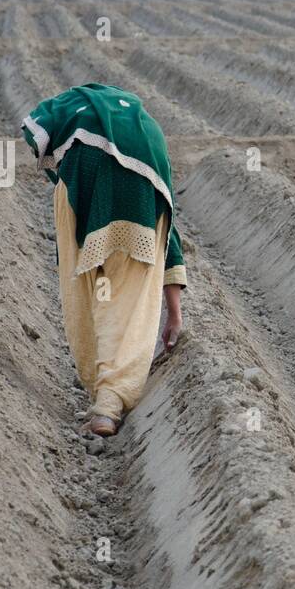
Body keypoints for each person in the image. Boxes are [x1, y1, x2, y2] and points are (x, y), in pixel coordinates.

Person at [22, 83, 187, 437]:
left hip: (84, 173)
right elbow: (168, 232)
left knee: (89, 289)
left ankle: (101, 397)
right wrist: (174, 313)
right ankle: (109, 404)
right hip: (144, 193)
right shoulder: (149, 136)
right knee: (128, 296)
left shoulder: (68, 124)